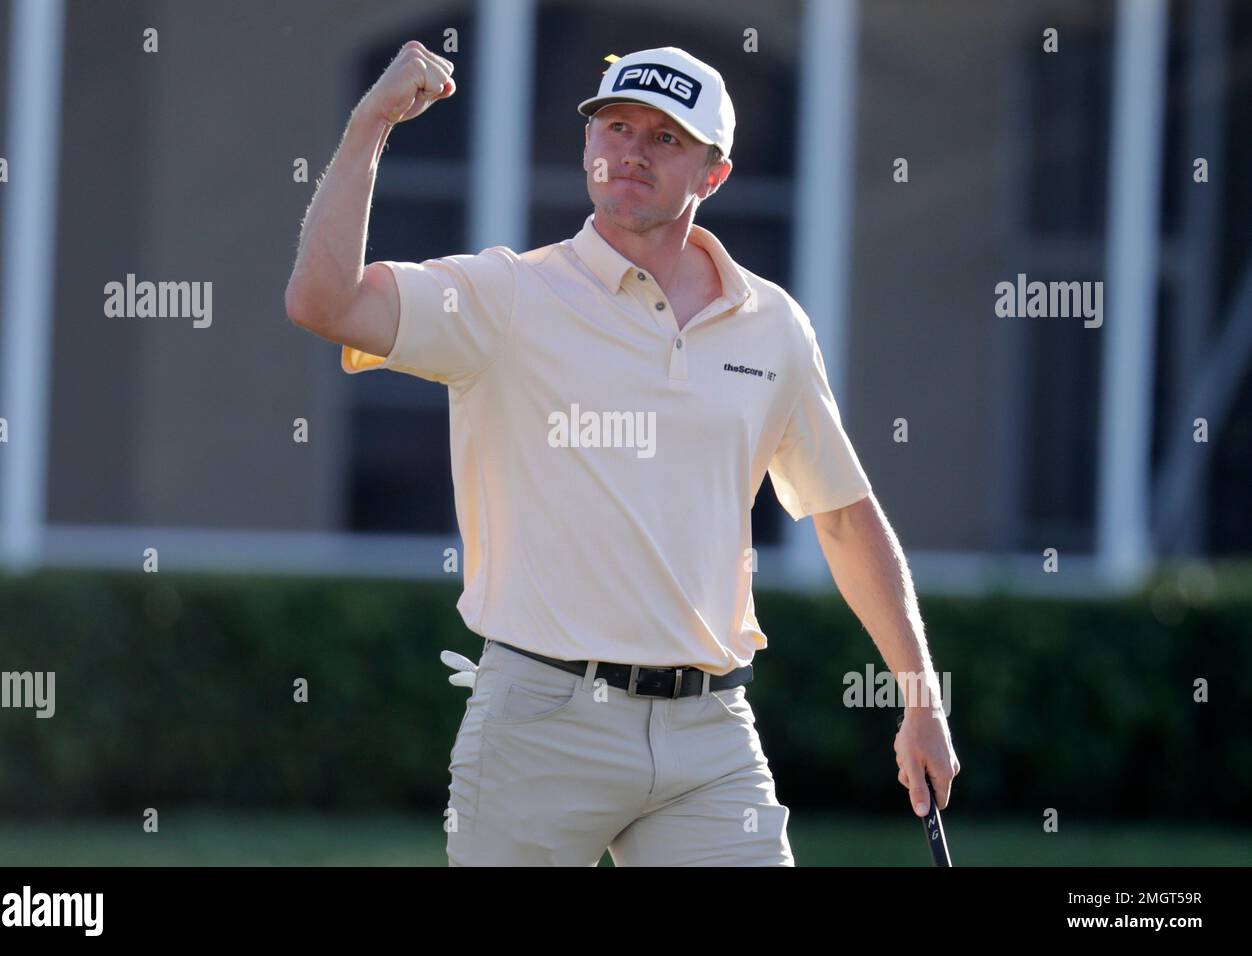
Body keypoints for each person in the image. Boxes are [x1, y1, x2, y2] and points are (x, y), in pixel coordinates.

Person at [285, 41, 960, 866]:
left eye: (665, 137)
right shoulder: (506, 297)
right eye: (614, 127)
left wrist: (921, 696)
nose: (631, 150)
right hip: (539, 726)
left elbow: (846, 518)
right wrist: (371, 124)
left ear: (713, 174)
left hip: (710, 740)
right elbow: (323, 302)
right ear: (587, 147)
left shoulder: (773, 326)